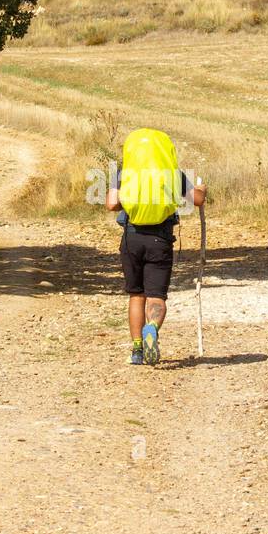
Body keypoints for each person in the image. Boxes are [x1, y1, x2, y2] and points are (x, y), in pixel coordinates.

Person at [105, 128, 207, 365]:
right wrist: (202, 189)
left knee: (136, 295)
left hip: (131, 238)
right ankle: (151, 327)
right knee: (156, 296)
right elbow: (198, 200)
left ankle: (137, 350)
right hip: (159, 240)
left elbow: (111, 204)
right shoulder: (172, 174)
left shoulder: (123, 173)